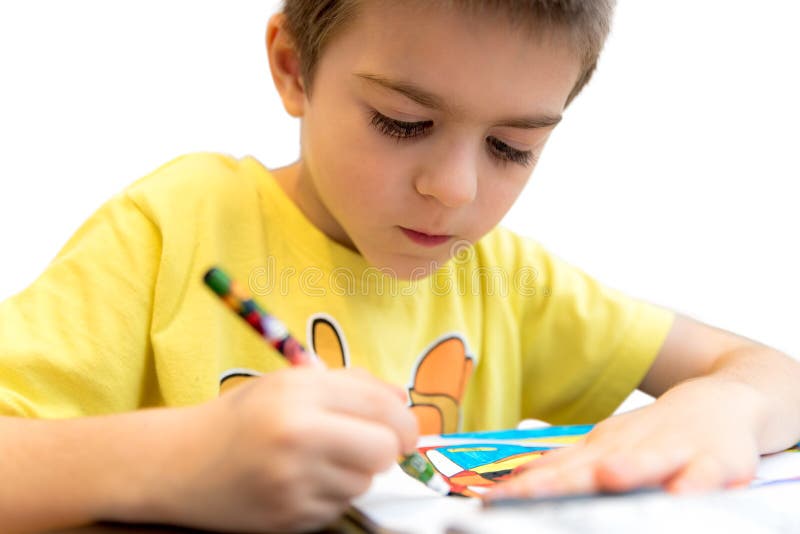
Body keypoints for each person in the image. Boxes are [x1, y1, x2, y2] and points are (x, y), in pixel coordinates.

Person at [1, 1, 799, 532]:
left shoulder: (504, 280)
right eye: (402, 122)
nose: (454, 190)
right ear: (293, 68)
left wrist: (724, 407)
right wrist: (177, 460)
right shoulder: (175, 228)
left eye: (510, 147)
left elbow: (776, 375)